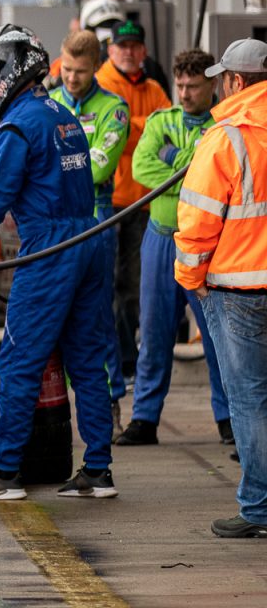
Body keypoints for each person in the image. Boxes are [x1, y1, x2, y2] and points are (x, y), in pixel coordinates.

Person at [0, 25, 117, 501]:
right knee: (87, 363)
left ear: (9, 70)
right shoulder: (61, 113)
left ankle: (5, 473)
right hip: (89, 241)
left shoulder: (18, 125)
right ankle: (98, 470)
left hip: (49, 250)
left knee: (20, 362)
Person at [173, 38, 267, 538]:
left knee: (250, 400)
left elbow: (197, 224)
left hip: (237, 289)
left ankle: (258, 508)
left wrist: (191, 280)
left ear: (235, 82)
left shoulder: (225, 138)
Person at [119, 48, 231, 446]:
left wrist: (173, 155)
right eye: (180, 85)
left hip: (208, 244)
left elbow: (214, 176)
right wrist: (186, 160)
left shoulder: (224, 126)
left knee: (218, 336)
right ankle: (145, 419)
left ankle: (228, 419)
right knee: (153, 332)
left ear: (213, 84)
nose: (184, 93)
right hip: (161, 237)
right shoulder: (160, 121)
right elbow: (140, 169)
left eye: (193, 86)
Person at [49, 29, 131, 417]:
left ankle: (110, 398)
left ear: (96, 67)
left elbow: (100, 168)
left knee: (98, 313)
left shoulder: (114, 108)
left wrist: (53, 170)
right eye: (66, 69)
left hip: (97, 221)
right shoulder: (47, 105)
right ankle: (61, 401)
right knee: (55, 313)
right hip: (54, 223)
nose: (71, 78)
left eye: (80, 71)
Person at [97, 19, 171, 378]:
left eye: (134, 46)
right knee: (106, 283)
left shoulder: (155, 87)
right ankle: (112, 357)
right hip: (107, 202)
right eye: (121, 46)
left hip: (144, 202)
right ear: (110, 50)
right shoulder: (101, 85)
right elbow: (116, 137)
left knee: (136, 284)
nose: (128, 52)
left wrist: (131, 126)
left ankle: (127, 359)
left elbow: (170, 136)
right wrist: (147, 128)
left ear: (143, 51)